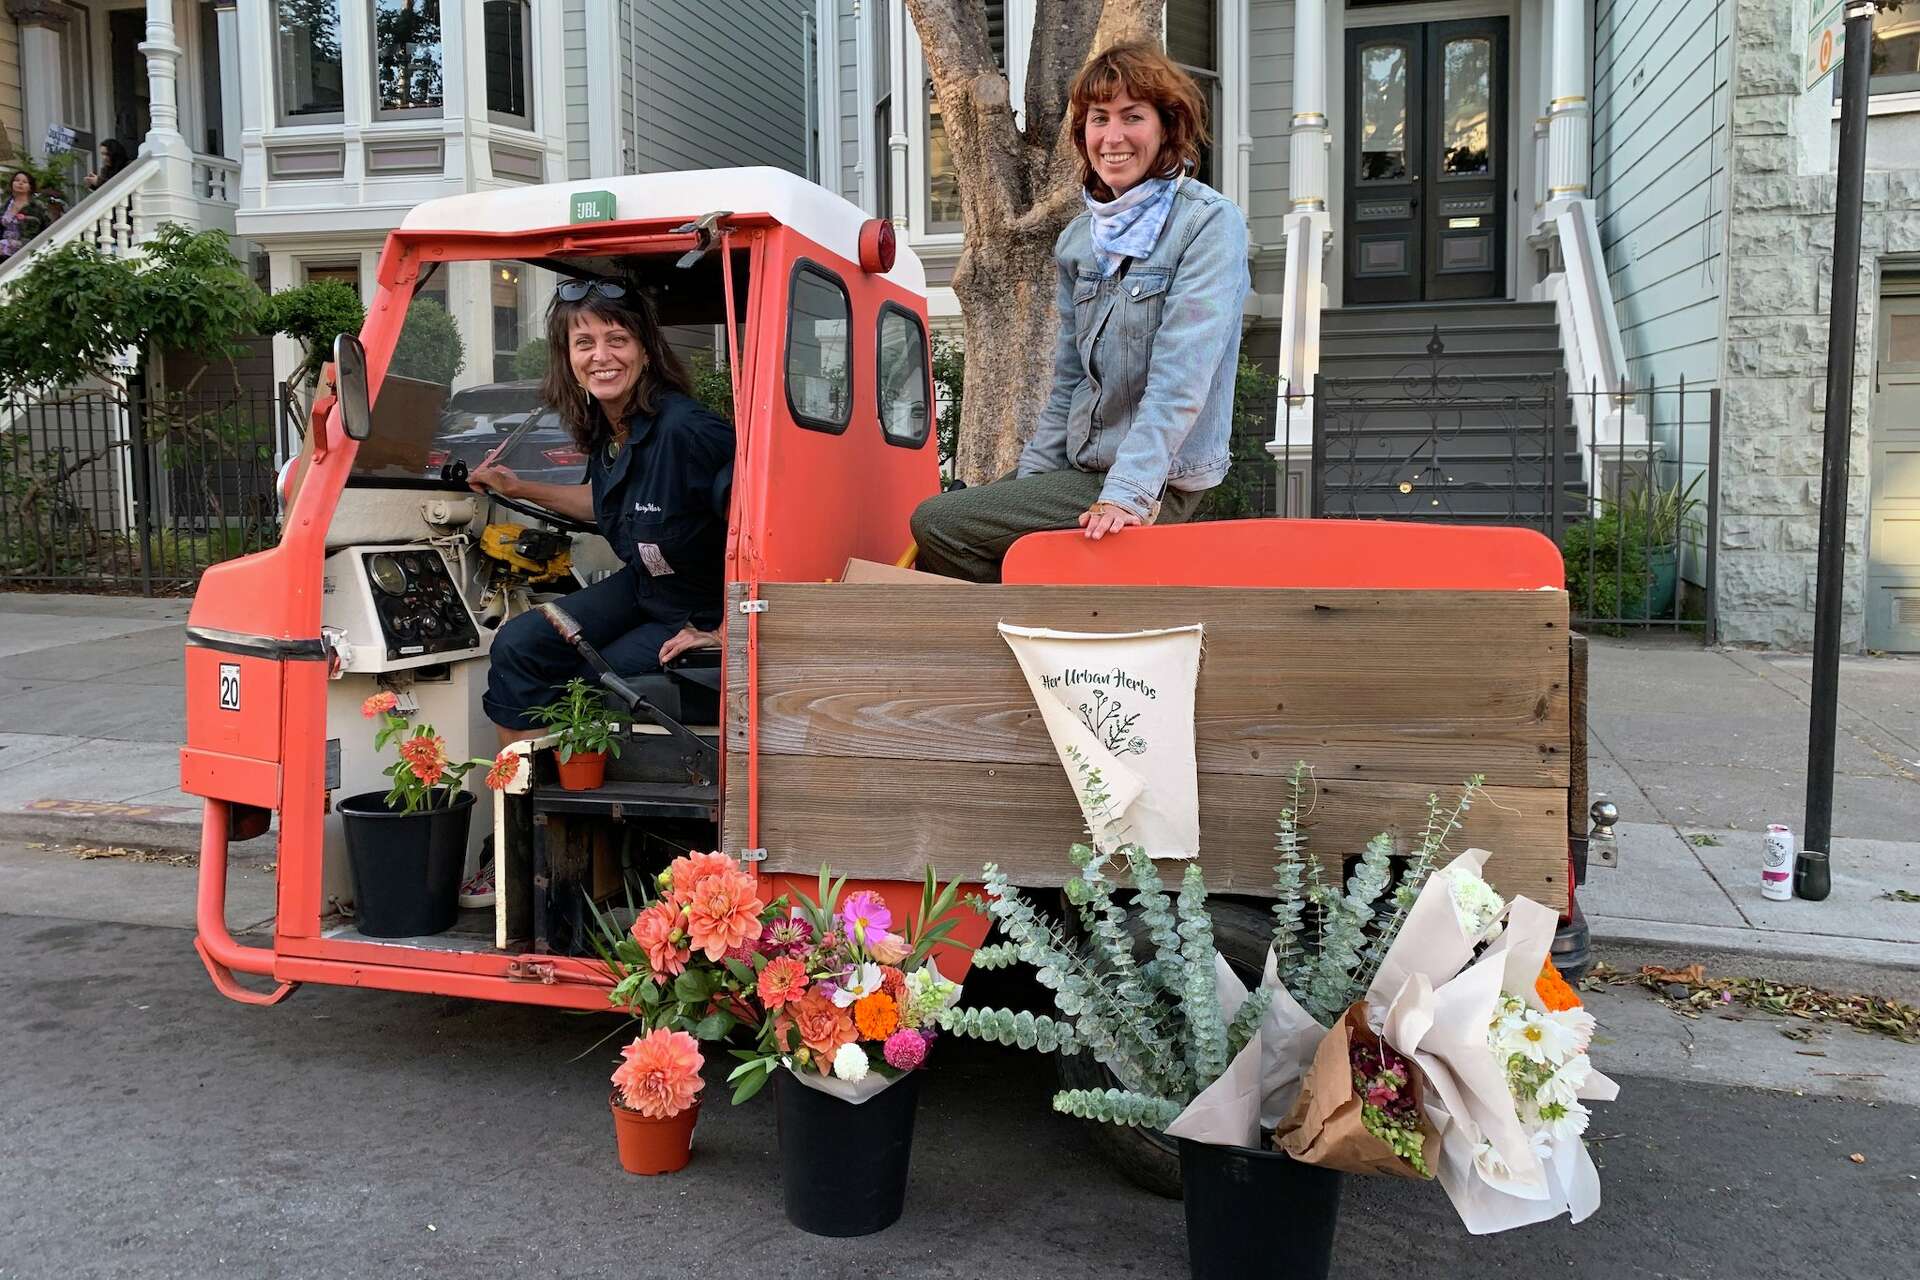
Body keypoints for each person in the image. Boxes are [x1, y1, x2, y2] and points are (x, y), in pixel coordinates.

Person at [908, 41, 1250, 582]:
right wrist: (1032, 478)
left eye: (1132, 117)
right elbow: (1068, 382)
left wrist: (1128, 495)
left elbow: (1183, 377)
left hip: (1158, 478)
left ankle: (1029, 636)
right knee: (943, 534)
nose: (1112, 138)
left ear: (1167, 127)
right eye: (1099, 119)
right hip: (1082, 468)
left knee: (938, 523)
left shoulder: (1207, 224)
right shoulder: (1081, 241)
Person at [469, 280, 734, 748]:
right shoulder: (609, 425)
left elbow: (769, 527)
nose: (601, 356)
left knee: (590, 678)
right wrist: (517, 487)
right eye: (584, 343)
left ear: (646, 351)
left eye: (617, 340)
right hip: (645, 586)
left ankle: (576, 804)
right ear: (569, 359)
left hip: (703, 603)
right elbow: (608, 502)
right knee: (520, 645)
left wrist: (725, 631)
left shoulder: (690, 431)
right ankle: (519, 806)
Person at [0, 170, 52, 262]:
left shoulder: (37, 206)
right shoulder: (6, 204)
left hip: (26, 251)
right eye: (17, 180)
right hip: (2, 251)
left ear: (30, 187)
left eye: (24, 182)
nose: (20, 183)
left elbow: (48, 228)